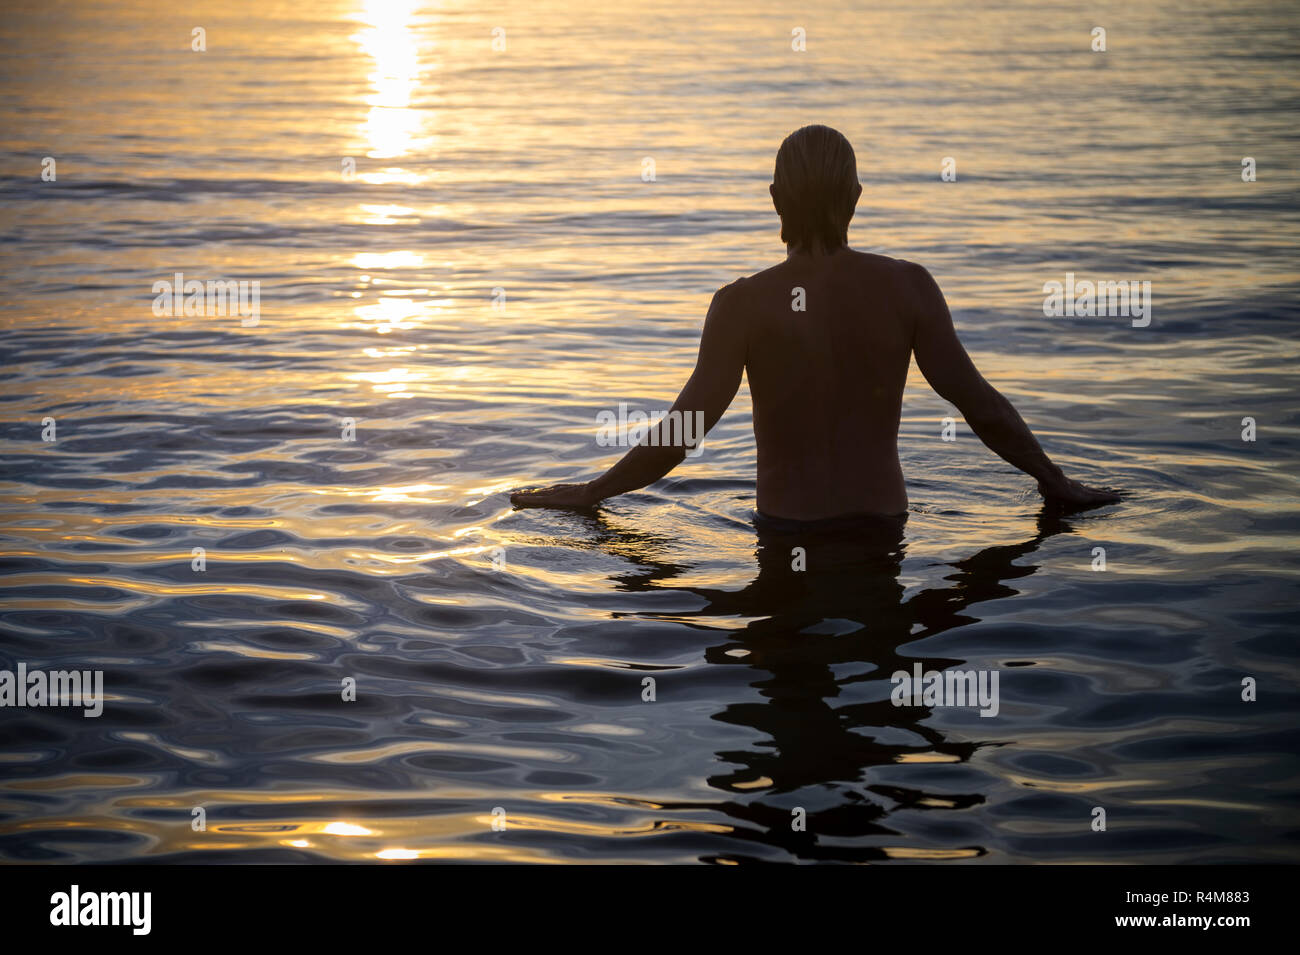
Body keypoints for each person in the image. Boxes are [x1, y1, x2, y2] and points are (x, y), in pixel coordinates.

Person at [511, 125, 1120, 527]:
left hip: (785, 531)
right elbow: (979, 405)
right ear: (856, 197)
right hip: (884, 528)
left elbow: (685, 430)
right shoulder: (909, 288)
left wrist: (592, 492)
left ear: (775, 198)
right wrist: (1054, 480)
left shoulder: (741, 305)